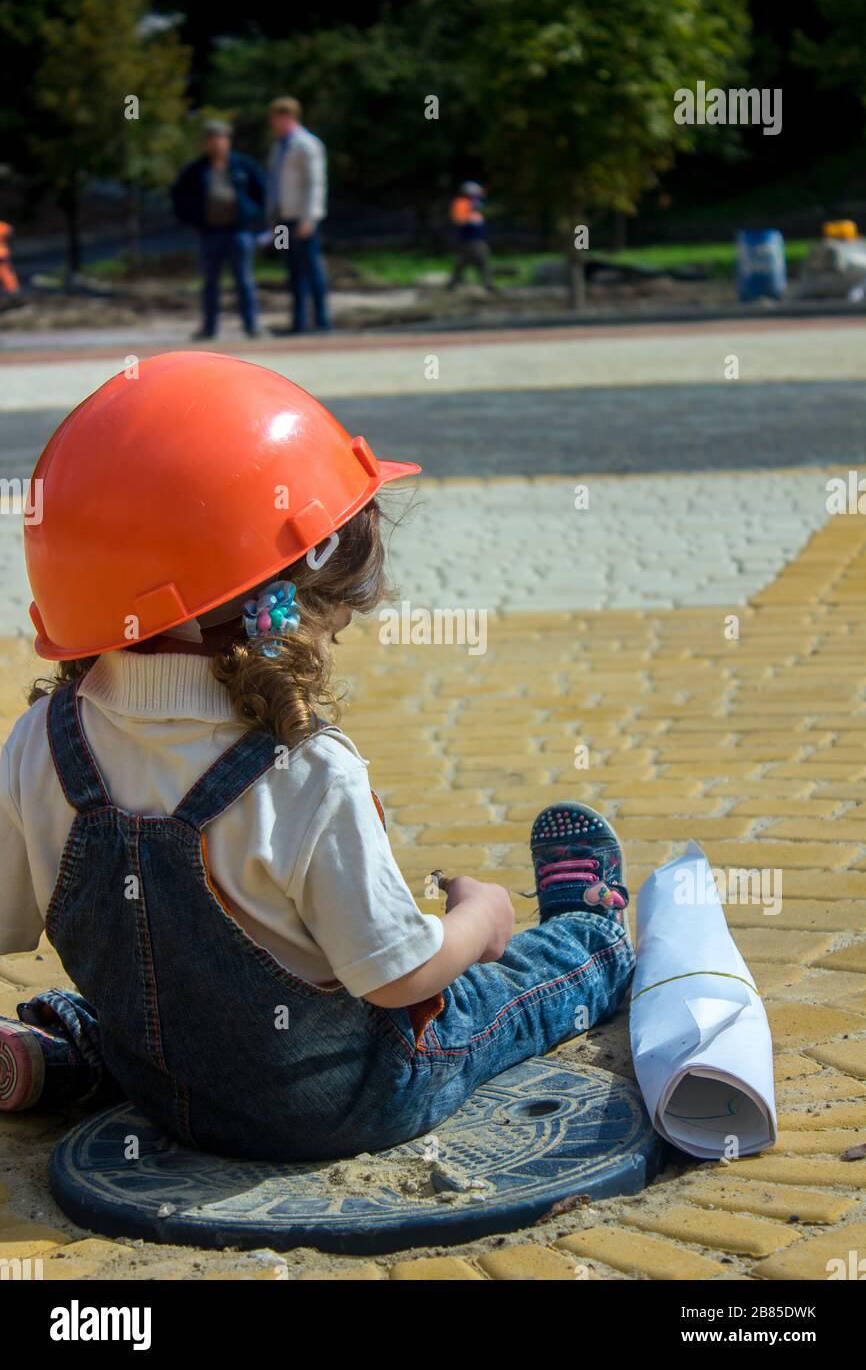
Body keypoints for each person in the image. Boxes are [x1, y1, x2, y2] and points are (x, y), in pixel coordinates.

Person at [0, 352, 633, 1159]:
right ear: (291, 609)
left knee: (151, 1000)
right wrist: (479, 920)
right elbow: (397, 978)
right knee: (492, 995)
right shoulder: (305, 768)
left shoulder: (39, 743)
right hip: (343, 1105)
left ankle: (71, 1055)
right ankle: (592, 939)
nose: (331, 646)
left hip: (170, 1096)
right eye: (332, 627)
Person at [171, 119, 266, 340]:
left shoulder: (245, 166)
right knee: (210, 282)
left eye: (220, 139)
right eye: (212, 140)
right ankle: (209, 328)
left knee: (244, 280)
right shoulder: (196, 170)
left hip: (239, 232)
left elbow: (263, 194)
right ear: (205, 143)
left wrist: (253, 216)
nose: (217, 145)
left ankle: (252, 326)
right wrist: (192, 219)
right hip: (210, 233)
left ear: (228, 141)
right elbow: (178, 196)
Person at [266, 96, 330, 333]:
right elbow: (274, 184)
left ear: (288, 117)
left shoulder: (307, 144)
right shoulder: (278, 147)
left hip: (301, 219)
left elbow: (316, 183)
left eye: (276, 118)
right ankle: (299, 322)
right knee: (292, 270)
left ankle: (322, 320)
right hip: (283, 218)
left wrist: (309, 218)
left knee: (312, 268)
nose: (273, 123)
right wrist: (272, 217)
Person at [448, 181, 498, 293]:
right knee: (479, 260)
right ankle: (487, 284)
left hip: (476, 238)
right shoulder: (462, 203)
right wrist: (470, 214)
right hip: (469, 238)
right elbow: (459, 220)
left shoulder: (475, 203)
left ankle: (453, 283)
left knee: (464, 261)